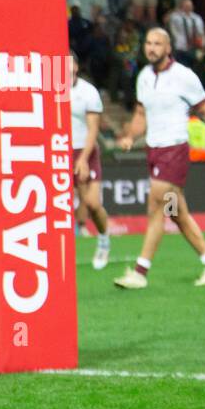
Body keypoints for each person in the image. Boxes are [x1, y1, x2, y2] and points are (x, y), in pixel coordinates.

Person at [114, 28, 205, 289]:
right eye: (148, 43)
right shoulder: (144, 77)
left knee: (156, 205)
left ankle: (140, 272)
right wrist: (130, 136)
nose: (151, 48)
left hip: (174, 151)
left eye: (157, 44)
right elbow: (140, 115)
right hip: (154, 151)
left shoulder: (184, 77)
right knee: (176, 212)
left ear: (168, 47)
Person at [68, 54, 111, 269]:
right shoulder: (48, 89)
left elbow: (93, 128)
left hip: (84, 151)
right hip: (58, 150)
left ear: (76, 65)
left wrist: (83, 159)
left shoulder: (88, 92)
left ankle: (104, 240)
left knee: (93, 204)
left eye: (70, 63)